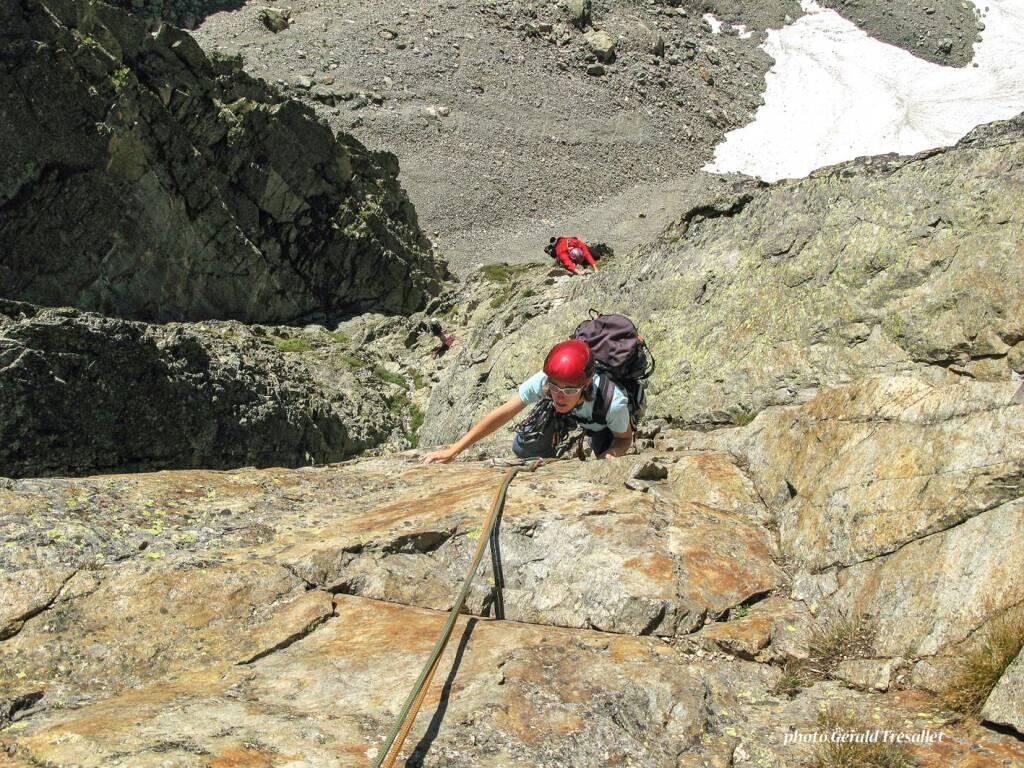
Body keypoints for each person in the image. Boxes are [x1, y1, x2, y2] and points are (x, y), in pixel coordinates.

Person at [420, 339, 632, 464]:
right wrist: (455, 450)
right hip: (575, 413)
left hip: (601, 423)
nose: (559, 394)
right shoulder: (545, 382)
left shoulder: (613, 403)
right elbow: (504, 413)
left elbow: (624, 439)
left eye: (569, 389)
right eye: (555, 386)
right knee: (524, 449)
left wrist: (605, 461)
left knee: (601, 451)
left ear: (585, 385)